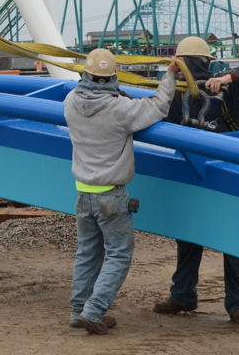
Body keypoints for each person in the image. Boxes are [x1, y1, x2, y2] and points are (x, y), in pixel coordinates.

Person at [154, 35, 239, 325]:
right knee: (222, 238)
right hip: (225, 176)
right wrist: (229, 77)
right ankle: (235, 304)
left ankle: (186, 296)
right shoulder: (184, 93)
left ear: (178, 63)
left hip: (196, 174)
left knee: (192, 237)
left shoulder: (211, 90)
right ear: (208, 60)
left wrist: (225, 78)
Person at [64, 47, 177, 335]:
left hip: (82, 193)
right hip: (111, 195)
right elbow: (158, 106)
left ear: (85, 75)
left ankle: (79, 310)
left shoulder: (70, 101)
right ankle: (94, 311)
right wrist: (171, 75)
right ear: (113, 77)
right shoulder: (119, 109)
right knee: (118, 255)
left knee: (88, 252)